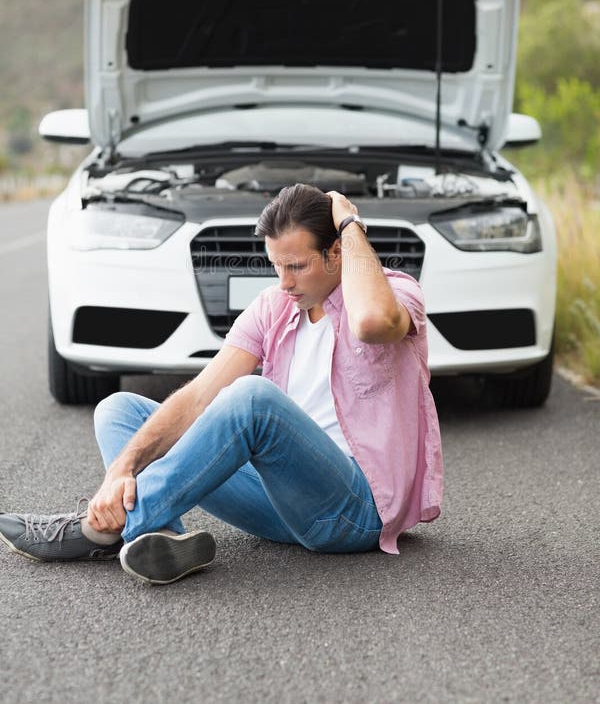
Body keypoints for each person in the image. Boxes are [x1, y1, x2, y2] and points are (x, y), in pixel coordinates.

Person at [0, 185, 443, 585]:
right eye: (275, 266)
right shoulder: (273, 307)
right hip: (280, 503)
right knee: (119, 411)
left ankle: (98, 529)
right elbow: (199, 395)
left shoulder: (397, 292)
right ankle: (158, 536)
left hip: (352, 512)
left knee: (254, 400)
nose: (283, 282)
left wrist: (349, 224)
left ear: (337, 253)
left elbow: (371, 322)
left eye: (296, 266)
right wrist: (123, 466)